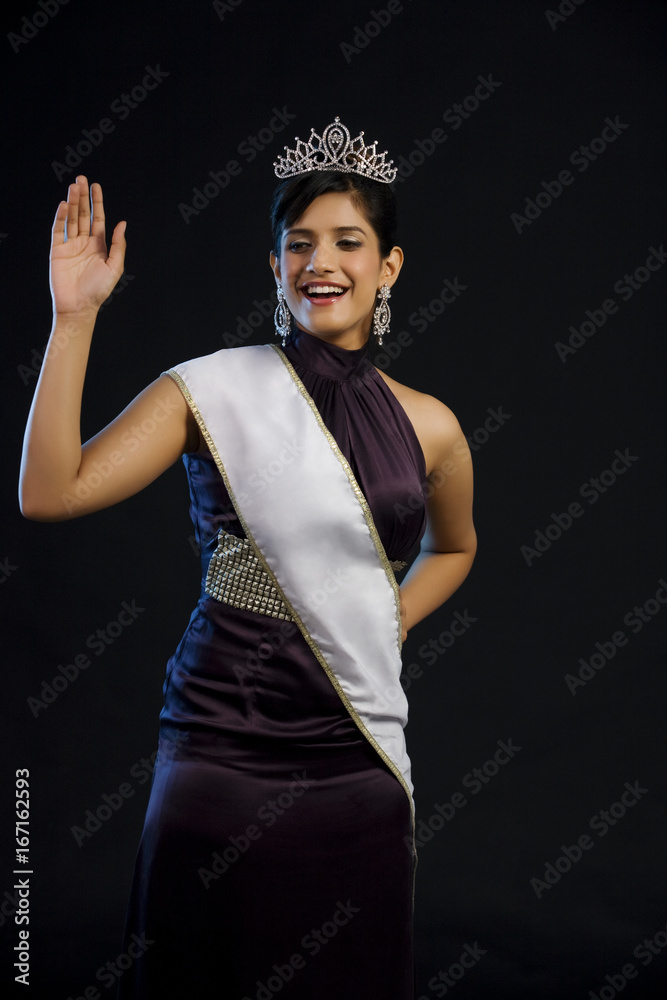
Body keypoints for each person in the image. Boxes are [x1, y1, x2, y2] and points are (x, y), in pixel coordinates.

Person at [20, 118, 476, 999]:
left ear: (388, 268)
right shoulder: (211, 388)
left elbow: (454, 547)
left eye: (348, 241)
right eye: (298, 244)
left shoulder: (433, 425)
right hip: (222, 746)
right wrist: (72, 319)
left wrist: (385, 618)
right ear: (274, 267)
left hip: (357, 758)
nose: (321, 262)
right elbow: (51, 492)